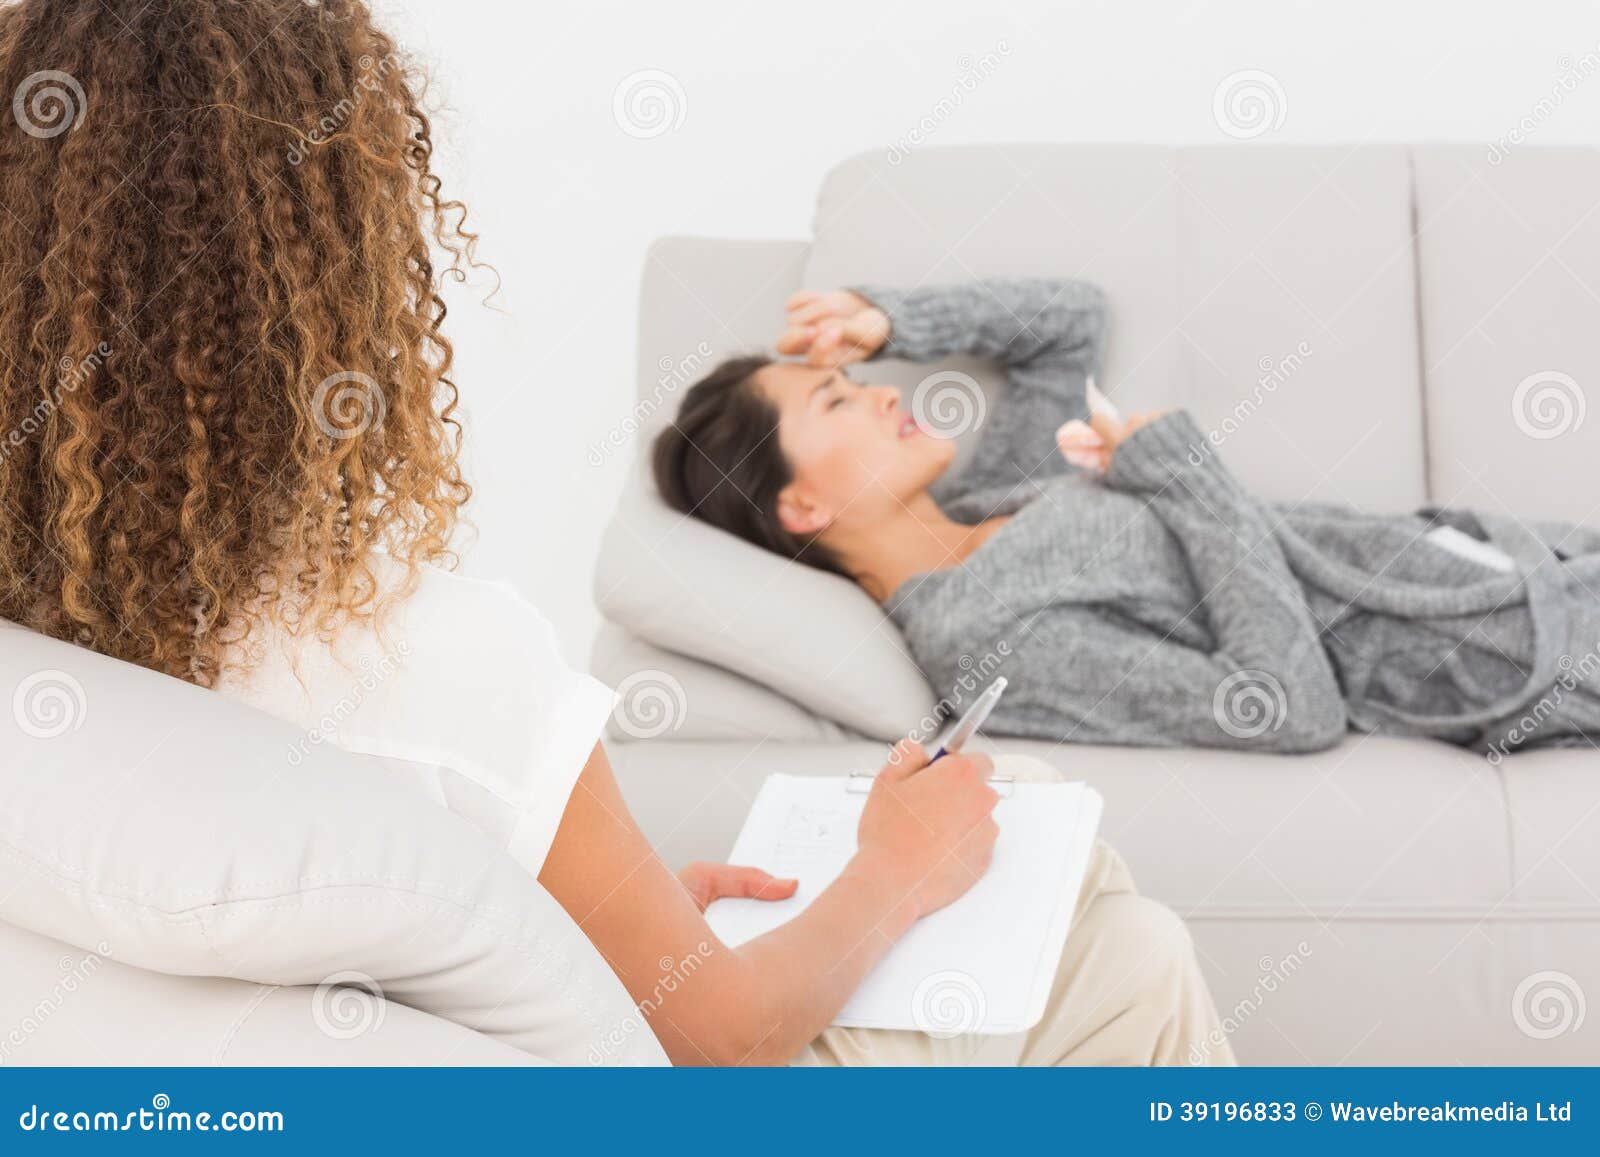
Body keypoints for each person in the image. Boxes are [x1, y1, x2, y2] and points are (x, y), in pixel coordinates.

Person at [0, 0, 1231, 1066]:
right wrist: (892, 872)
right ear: (344, 280)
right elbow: (726, 1035)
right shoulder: (434, 657)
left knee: (1097, 906)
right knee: (1116, 934)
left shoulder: (39, 645)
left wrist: (573, 937)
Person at [655, 282, 1600, 757]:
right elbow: (1285, 707)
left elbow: (1068, 323)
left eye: (858, 378)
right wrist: (1183, 471)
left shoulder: (994, 498)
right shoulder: (980, 637)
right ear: (802, 505)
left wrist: (891, 320)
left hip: (1515, 556)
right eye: (835, 400)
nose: (881, 393)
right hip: (1505, 646)